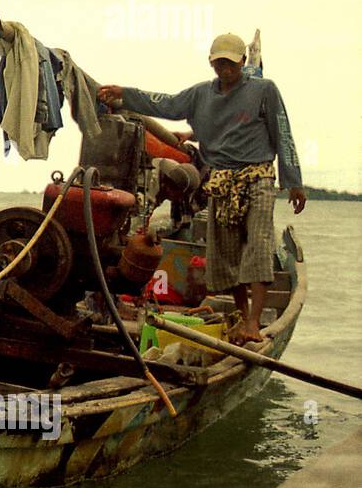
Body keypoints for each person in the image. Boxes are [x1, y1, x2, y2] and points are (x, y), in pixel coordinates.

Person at [97, 33, 306, 344]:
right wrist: (123, 94)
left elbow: (282, 132)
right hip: (221, 180)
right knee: (227, 252)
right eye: (219, 62)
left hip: (258, 176)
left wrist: (294, 181)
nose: (225, 68)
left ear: (243, 62)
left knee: (259, 244)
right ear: (211, 62)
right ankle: (242, 314)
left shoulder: (264, 90)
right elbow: (165, 103)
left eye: (230, 62)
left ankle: (252, 324)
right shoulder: (200, 95)